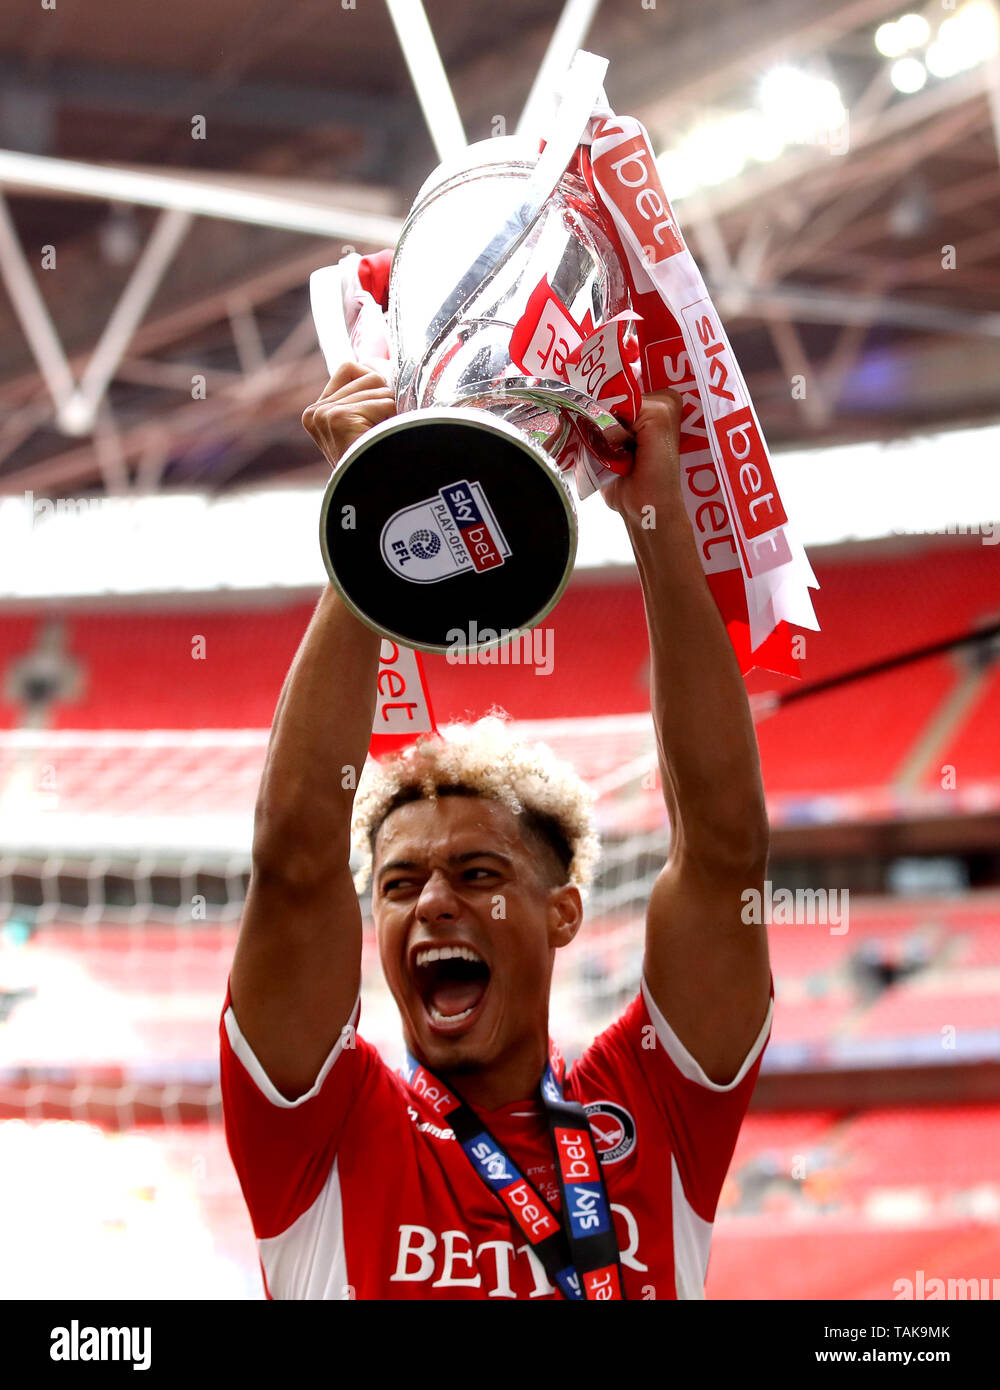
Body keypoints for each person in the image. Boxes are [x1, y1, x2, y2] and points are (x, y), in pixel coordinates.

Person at [220, 360, 773, 1300]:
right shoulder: (324, 1129)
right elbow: (295, 862)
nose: (433, 901)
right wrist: (369, 509)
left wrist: (655, 519)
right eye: (398, 884)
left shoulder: (650, 1107)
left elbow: (724, 856)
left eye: (478, 874)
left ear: (562, 912)